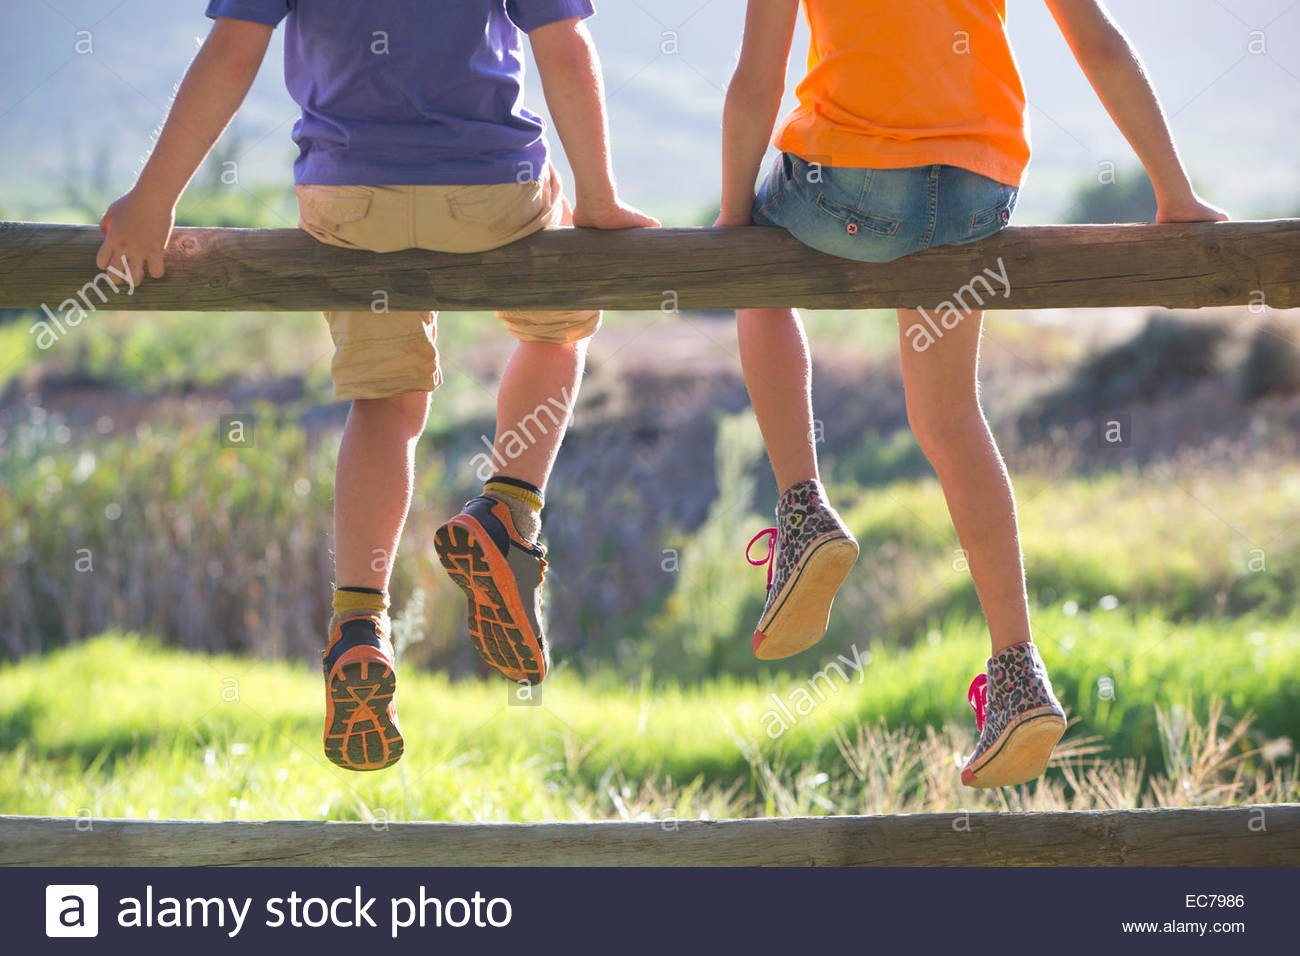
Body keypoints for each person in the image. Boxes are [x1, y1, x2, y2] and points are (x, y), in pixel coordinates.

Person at [96, 0, 656, 772]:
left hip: (350, 197)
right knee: (556, 332)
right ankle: (508, 510)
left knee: (386, 403)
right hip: (492, 189)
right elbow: (564, 44)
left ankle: (360, 621)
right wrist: (592, 199)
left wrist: (154, 199)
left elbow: (231, 53)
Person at [718, 0, 1226, 787]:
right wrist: (1173, 193)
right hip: (975, 191)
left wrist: (728, 224)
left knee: (755, 275)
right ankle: (1018, 673)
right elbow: (1098, 41)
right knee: (951, 417)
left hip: (844, 185)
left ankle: (802, 511)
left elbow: (758, 81)